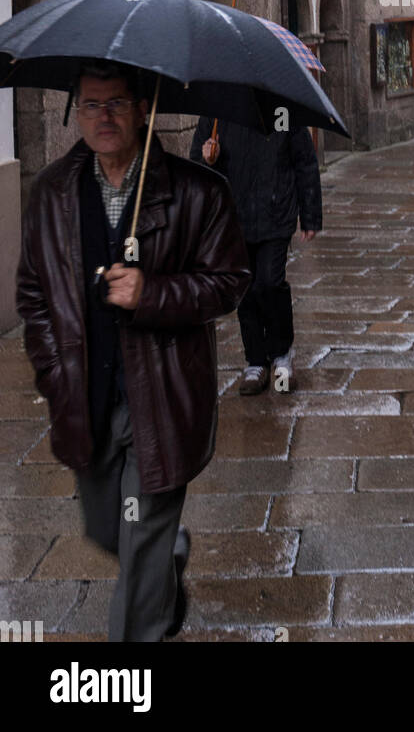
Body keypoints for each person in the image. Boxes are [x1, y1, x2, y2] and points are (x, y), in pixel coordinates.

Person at [17, 61, 250, 643]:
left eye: (116, 103)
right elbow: (33, 294)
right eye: (91, 104)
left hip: (163, 399)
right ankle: (166, 562)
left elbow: (229, 280)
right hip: (85, 399)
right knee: (104, 527)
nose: (103, 117)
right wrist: (51, 370)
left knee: (138, 553)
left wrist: (154, 293)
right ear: (75, 108)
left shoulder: (198, 191)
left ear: (142, 107)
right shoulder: (51, 193)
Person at [190, 116, 322, 395]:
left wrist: (310, 215)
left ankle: (282, 352)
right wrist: (207, 158)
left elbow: (304, 161)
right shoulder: (218, 112)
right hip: (235, 216)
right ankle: (256, 360)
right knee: (246, 289)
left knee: (271, 281)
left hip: (276, 212)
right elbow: (196, 168)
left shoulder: (283, 113)